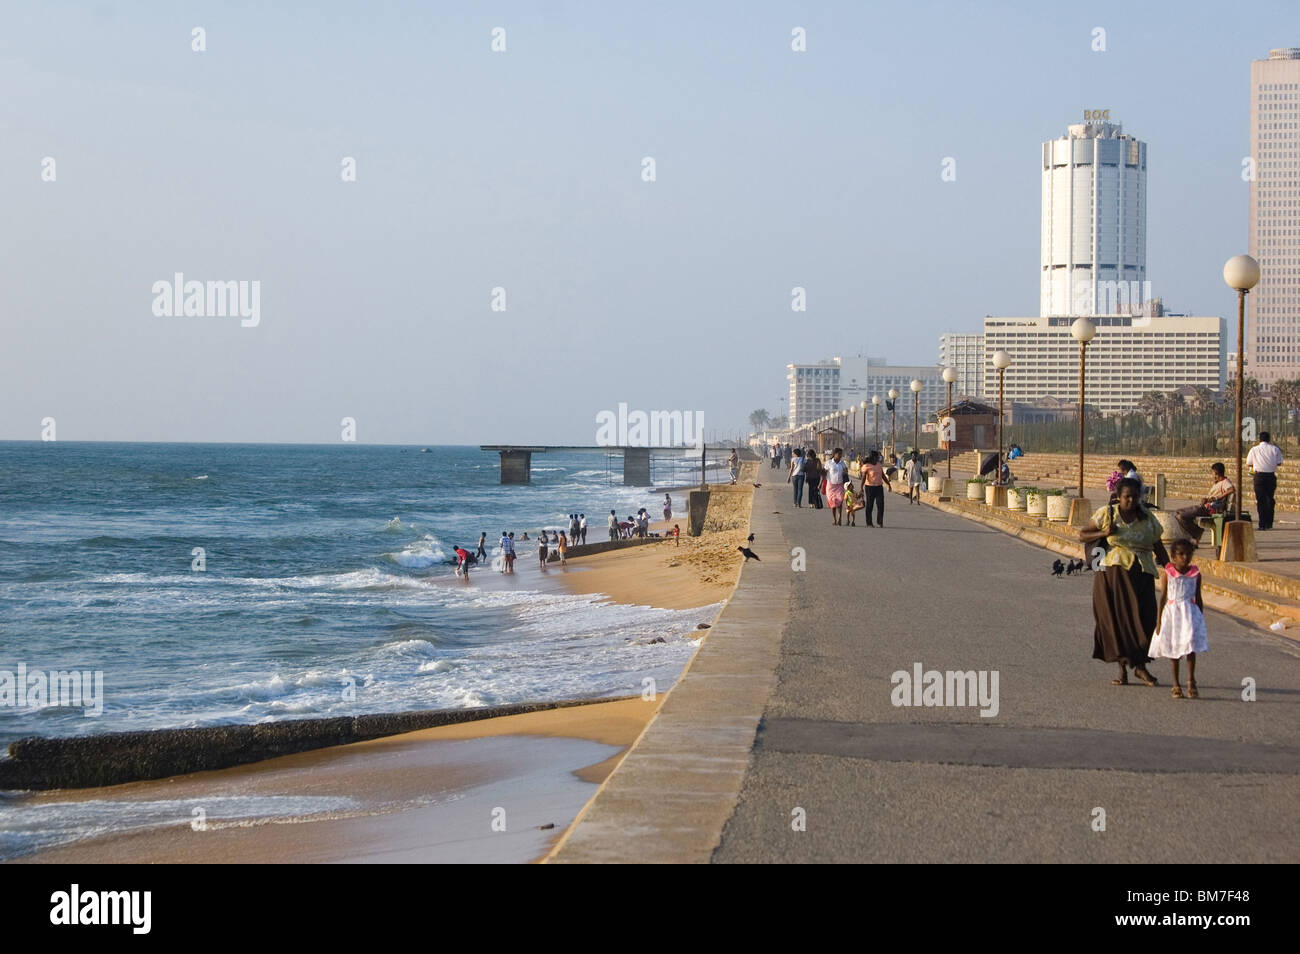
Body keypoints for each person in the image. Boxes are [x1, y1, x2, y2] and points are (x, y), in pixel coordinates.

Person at [1078, 477, 1169, 688]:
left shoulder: (1147, 518)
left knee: (1145, 620)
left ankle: (1140, 666)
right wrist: (1104, 533)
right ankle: (1123, 669)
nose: (1131, 500)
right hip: (1113, 575)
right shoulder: (1107, 514)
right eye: (1127, 496)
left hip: (1143, 573)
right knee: (1118, 622)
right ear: (1118, 497)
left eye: (1135, 496)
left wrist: (1171, 568)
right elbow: (1083, 534)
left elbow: (1158, 545)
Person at [1149, 539, 1208, 699]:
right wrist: (1159, 620)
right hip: (1172, 614)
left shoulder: (1195, 574)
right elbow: (1163, 598)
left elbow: (1199, 597)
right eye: (1181, 554)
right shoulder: (1168, 574)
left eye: (1188, 554)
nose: (1185, 557)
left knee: (1190, 648)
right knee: (1173, 650)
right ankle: (1175, 684)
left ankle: (1191, 680)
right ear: (1173, 557)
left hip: (1189, 613)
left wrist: (1200, 619)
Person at [1174, 463, 1235, 542]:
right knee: (1177, 513)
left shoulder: (1225, 482)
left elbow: (1232, 489)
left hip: (1209, 510)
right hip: (1205, 507)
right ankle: (1197, 532)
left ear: (1216, 473)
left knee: (1181, 516)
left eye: (1212, 473)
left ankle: (1196, 533)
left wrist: (1216, 497)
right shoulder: (1217, 483)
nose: (1212, 475)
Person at [1246, 431, 1283, 530]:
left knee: (1261, 500)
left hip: (1259, 477)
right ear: (1269, 439)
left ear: (1259, 439)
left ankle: (1262, 524)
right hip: (1270, 476)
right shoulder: (1275, 449)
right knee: (1270, 499)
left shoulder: (1254, 450)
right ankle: (1269, 523)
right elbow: (1279, 463)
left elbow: (1249, 463)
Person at [859, 451, 891, 527]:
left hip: (879, 487)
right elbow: (863, 478)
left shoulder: (879, 465)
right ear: (873, 457)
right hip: (869, 487)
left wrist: (888, 484)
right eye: (877, 457)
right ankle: (869, 522)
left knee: (880, 504)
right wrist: (861, 488)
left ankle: (880, 521)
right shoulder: (866, 466)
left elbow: (883, 475)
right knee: (870, 505)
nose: (878, 458)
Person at [825, 447, 849, 525]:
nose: (840, 455)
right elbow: (824, 473)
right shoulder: (829, 463)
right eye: (839, 454)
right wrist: (820, 484)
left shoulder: (842, 463)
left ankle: (839, 518)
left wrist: (846, 472)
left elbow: (846, 473)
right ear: (834, 454)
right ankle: (834, 518)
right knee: (833, 503)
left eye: (841, 454)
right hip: (831, 485)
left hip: (840, 485)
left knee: (839, 502)